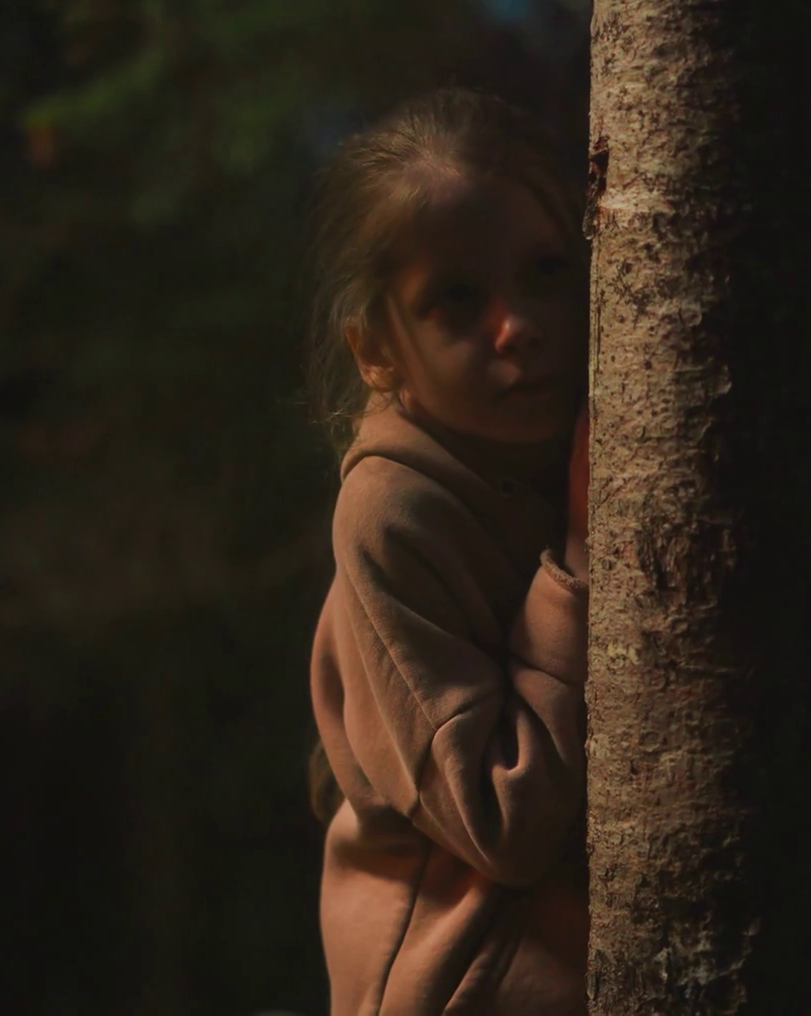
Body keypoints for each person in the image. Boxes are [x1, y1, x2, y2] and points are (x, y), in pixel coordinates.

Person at [305, 87, 590, 1015]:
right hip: (461, 985)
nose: (520, 324)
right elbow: (503, 823)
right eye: (458, 299)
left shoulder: (566, 440)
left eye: (547, 271)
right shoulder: (392, 514)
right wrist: (582, 558)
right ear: (376, 350)